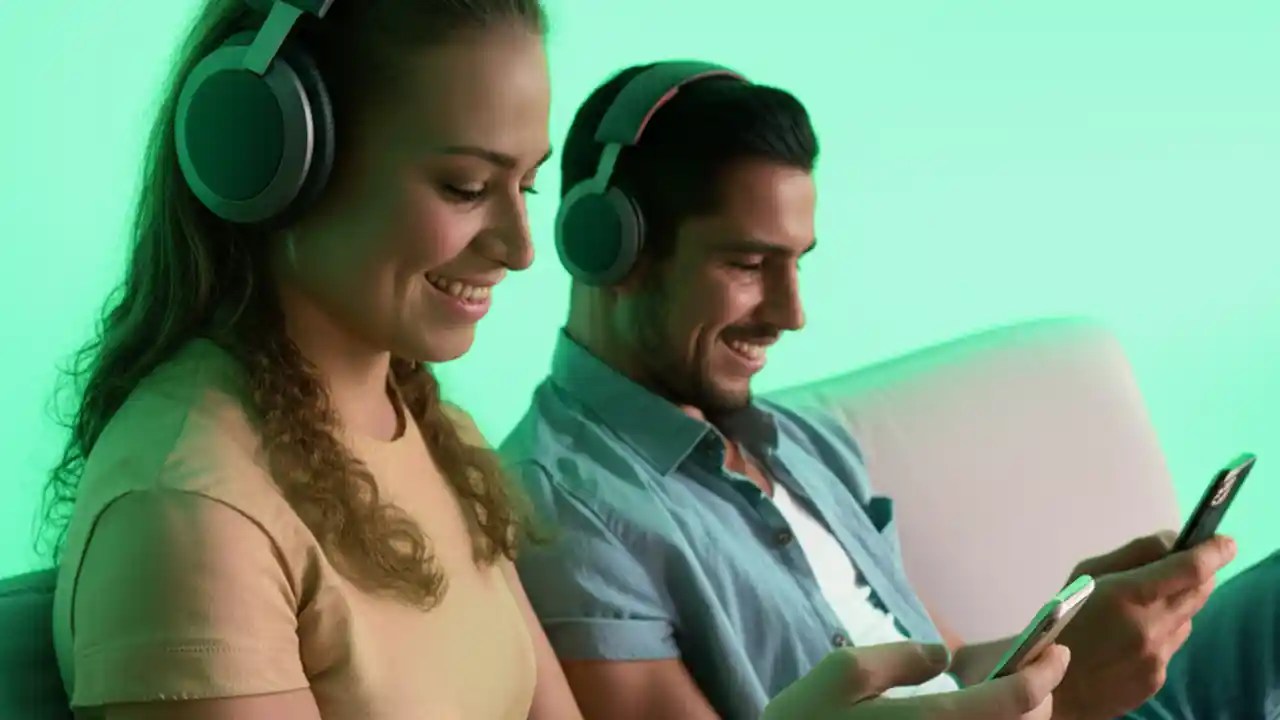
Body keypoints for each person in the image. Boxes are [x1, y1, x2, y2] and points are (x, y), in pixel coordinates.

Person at [41, 2, 1067, 719]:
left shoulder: (423, 425)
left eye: (524, 187)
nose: (522, 248)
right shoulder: (191, 516)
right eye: (461, 187)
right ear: (266, 159)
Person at [502, 60, 1275, 720]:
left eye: (797, 262)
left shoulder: (801, 443)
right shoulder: (561, 510)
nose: (791, 314)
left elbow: (941, 672)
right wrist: (1057, 704)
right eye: (747, 265)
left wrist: (1069, 642)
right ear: (607, 248)